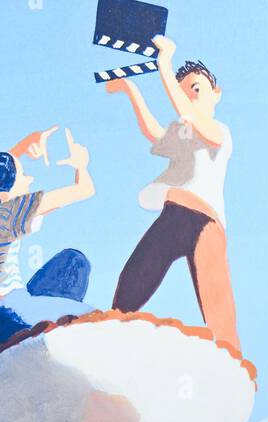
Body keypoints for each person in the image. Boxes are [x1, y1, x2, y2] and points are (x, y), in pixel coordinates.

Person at [106, 35, 239, 353]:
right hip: (173, 216)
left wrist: (164, 64)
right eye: (182, 94)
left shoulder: (219, 131)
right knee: (132, 280)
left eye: (195, 89)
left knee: (216, 303)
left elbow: (193, 117)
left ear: (215, 94)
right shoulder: (184, 133)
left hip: (205, 222)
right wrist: (130, 90)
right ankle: (111, 337)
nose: (187, 99)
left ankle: (233, 362)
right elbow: (154, 131)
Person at [0, 126, 94, 345]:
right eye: (24, 175)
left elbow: (5, 172)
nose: (30, 179)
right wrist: (81, 165)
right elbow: (84, 189)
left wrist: (24, 146)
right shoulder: (12, 211)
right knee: (73, 261)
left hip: (12, 307)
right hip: (10, 312)